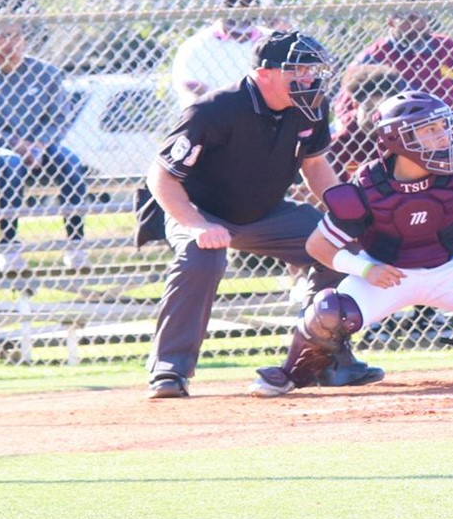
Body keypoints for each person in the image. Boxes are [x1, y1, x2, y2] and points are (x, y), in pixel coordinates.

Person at [249, 90, 453, 395]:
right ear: (396, 139)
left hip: (448, 266)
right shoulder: (371, 185)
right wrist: (365, 269)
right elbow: (318, 246)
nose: (444, 137)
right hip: (386, 274)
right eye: (430, 130)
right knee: (331, 311)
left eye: (444, 127)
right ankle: (294, 372)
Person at [141, 31, 380, 398]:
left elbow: (315, 167)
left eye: (312, 69)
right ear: (264, 73)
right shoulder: (214, 110)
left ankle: (321, 359)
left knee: (337, 247)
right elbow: (161, 176)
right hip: (197, 210)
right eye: (297, 70)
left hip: (264, 213)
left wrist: (345, 212)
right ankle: (169, 370)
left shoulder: (310, 106)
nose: (309, 78)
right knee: (201, 258)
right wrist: (197, 224)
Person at [0, 21, 89, 274]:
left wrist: (38, 145)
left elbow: (59, 119)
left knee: (71, 163)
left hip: (40, 147)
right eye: (2, 36)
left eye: (16, 36)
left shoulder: (45, 73)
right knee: (11, 163)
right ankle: (9, 246)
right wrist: (14, 144)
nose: (10, 43)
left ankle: (76, 244)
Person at [334, 0, 453, 131]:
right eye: (410, 18)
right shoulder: (374, 56)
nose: (418, 24)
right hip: (405, 135)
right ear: (391, 21)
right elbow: (344, 108)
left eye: (424, 17)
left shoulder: (447, 47)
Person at [168, 0, 267, 109]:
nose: (240, 9)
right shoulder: (197, 45)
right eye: (232, 3)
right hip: (217, 120)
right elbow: (191, 97)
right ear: (218, 6)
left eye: (248, 2)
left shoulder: (271, 39)